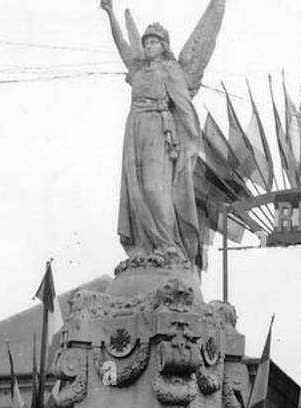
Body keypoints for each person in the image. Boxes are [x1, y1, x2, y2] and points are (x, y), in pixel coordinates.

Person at [99, 0, 215, 266]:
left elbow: (184, 106)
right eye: (147, 42)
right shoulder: (138, 68)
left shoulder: (171, 70)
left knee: (155, 187)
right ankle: (145, 247)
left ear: (164, 46)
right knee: (136, 190)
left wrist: (191, 142)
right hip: (135, 129)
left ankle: (168, 245)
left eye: (154, 42)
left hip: (160, 131)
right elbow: (121, 44)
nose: (149, 46)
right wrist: (110, 14)